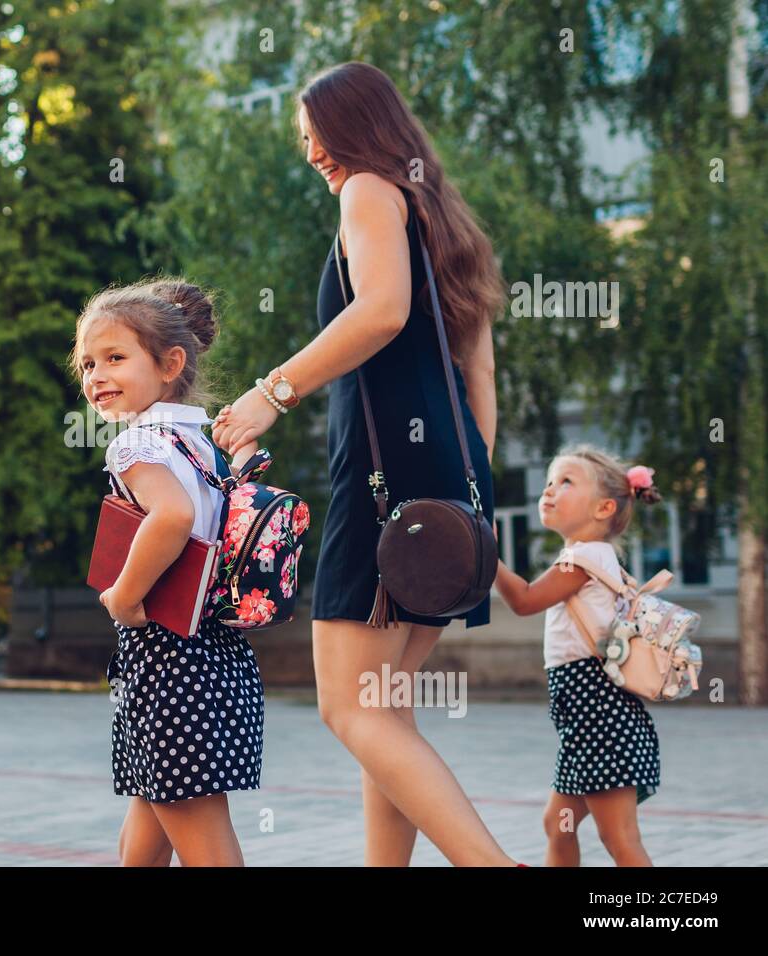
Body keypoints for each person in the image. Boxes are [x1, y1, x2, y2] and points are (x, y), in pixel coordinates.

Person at [211, 61, 520, 866]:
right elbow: (479, 376)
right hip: (450, 484)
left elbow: (379, 312)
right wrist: (473, 489)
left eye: (314, 130)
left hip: (388, 485)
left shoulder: (368, 194)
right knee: (385, 706)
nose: (309, 149)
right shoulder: (447, 225)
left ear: (357, 126)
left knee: (349, 708)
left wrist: (269, 394)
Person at [71, 276, 263, 866]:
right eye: (86, 364)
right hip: (212, 651)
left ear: (171, 362)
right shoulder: (196, 443)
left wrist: (125, 596)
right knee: (147, 828)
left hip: (166, 656)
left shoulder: (135, 446)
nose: (96, 375)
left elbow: (173, 517)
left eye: (114, 358)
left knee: (201, 834)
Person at [493, 446, 663, 867]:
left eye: (567, 482)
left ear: (604, 508)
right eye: (550, 481)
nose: (550, 490)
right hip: (587, 720)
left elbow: (525, 600)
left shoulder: (585, 557)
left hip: (600, 719)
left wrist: (486, 556)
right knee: (559, 824)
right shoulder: (592, 558)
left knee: (618, 837)